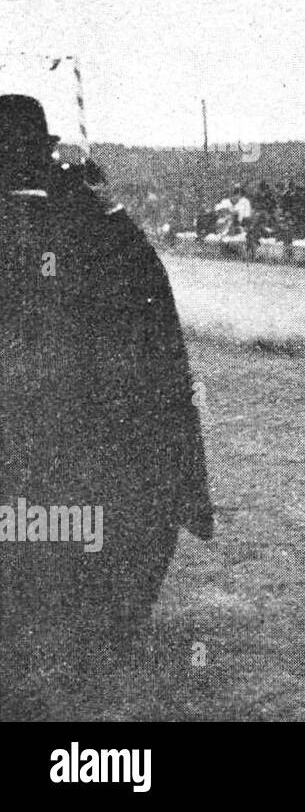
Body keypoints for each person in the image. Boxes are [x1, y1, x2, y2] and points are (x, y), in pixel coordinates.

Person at [0, 95, 213, 710]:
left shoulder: (79, 221)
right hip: (111, 437)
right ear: (44, 154)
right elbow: (152, 323)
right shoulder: (100, 220)